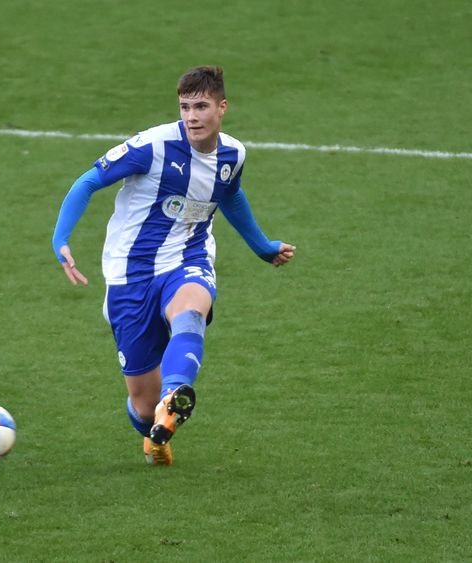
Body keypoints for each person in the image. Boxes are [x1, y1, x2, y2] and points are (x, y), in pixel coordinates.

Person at [52, 66, 295, 465]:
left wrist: (262, 246)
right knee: (144, 408)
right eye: (185, 107)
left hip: (188, 257)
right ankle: (156, 428)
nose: (192, 116)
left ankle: (177, 392)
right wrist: (60, 238)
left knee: (190, 308)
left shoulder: (233, 154)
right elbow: (88, 182)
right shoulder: (152, 145)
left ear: (222, 107)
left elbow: (230, 194)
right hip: (130, 273)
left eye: (201, 106)